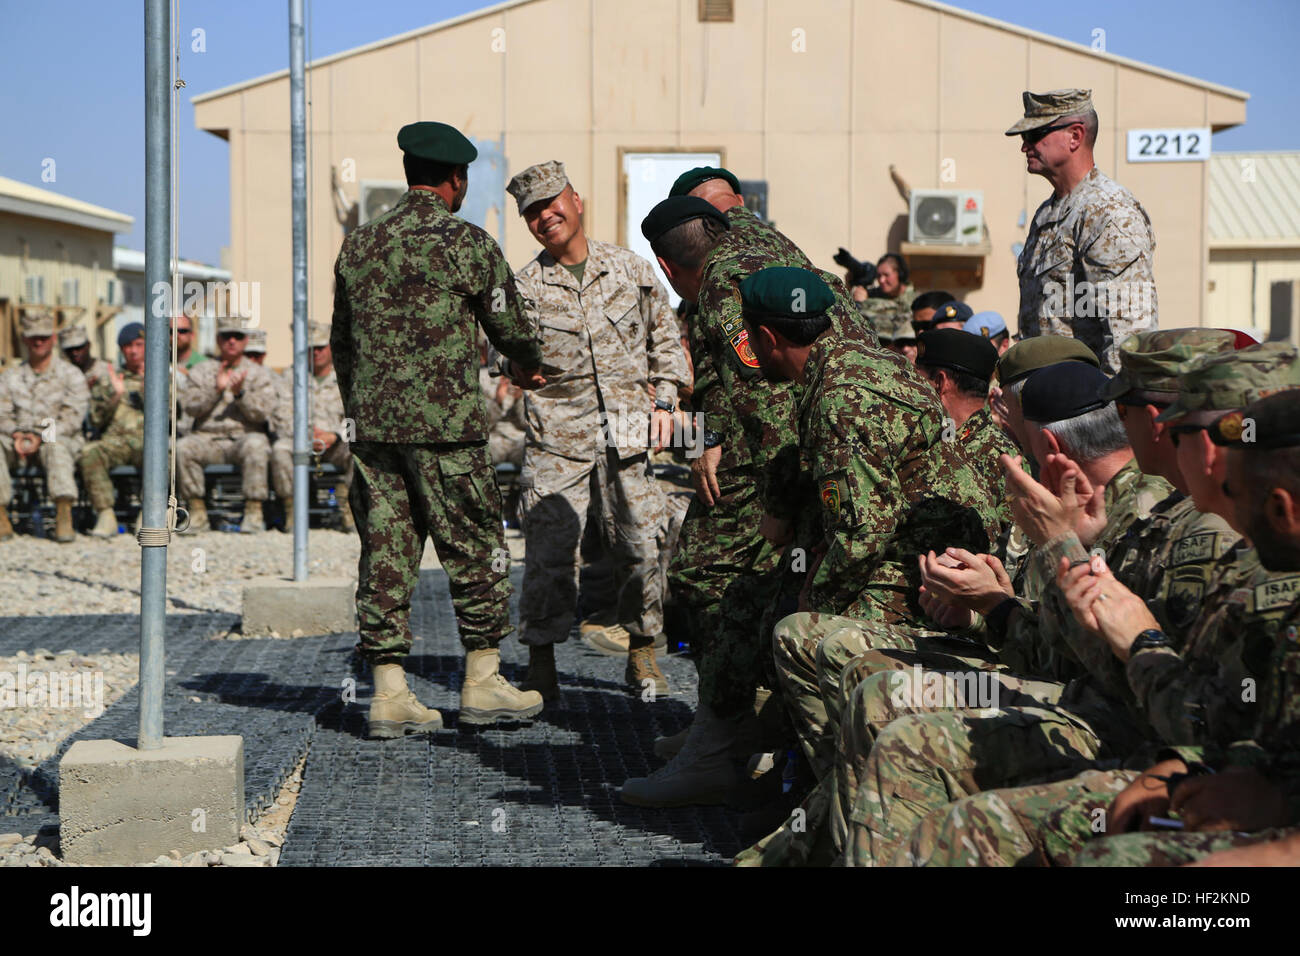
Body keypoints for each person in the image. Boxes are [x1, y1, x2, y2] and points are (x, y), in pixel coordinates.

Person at [331, 120, 547, 737]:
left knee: (385, 555)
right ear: (455, 180)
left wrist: (366, 411)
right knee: (475, 550)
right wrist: (528, 366)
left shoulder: (359, 246)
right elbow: (510, 329)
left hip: (375, 435)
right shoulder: (467, 244)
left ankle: (389, 694)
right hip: (447, 433)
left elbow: (341, 343)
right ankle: (481, 684)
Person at [504, 160, 687, 701]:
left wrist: (665, 401)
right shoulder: (524, 286)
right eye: (532, 212)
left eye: (552, 203)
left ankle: (643, 653)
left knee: (642, 547)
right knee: (549, 555)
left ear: (576, 200)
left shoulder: (630, 269)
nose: (545, 217)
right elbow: (499, 347)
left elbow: (666, 340)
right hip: (558, 440)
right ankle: (541, 662)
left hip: (630, 434)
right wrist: (511, 364)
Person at [1009, 88, 1157, 373]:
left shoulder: (1108, 211)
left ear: (1075, 136)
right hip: (1045, 402)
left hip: (1085, 407)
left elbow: (1128, 333)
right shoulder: (1046, 214)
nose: (1024, 147)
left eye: (1034, 136)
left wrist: (1113, 412)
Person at [176, 316, 276, 533]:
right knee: (183, 448)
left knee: (257, 445)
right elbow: (190, 407)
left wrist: (240, 394)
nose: (232, 341)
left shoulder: (259, 373)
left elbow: (262, 414)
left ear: (245, 341)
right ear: (218, 340)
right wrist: (216, 389)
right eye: (226, 336)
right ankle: (197, 512)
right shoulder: (202, 371)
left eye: (237, 337)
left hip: (244, 436)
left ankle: (253, 512)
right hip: (208, 438)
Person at [0, 310, 89, 543]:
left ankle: (63, 512)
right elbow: (2, 414)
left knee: (55, 445)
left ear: (53, 338)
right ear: (24, 339)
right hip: (18, 439)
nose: (38, 342)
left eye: (43, 337)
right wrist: (17, 433)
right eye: (32, 337)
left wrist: (41, 436)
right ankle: (1, 515)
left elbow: (72, 418)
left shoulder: (71, 375)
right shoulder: (10, 377)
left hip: (57, 439)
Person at [270, 321, 354, 533]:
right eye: (310, 348)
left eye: (320, 347)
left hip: (336, 443)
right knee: (280, 450)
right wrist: (308, 436)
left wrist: (335, 435)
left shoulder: (347, 377)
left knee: (359, 450)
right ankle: (292, 511)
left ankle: (349, 509)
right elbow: (281, 416)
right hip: (301, 441)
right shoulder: (290, 378)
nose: (315, 353)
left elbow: (357, 418)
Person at [80, 322, 147, 537]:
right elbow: (95, 419)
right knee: (90, 452)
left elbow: (172, 416)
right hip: (115, 442)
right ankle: (105, 514)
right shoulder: (109, 378)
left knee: (164, 454)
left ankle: (149, 514)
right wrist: (115, 396)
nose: (134, 350)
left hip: (147, 442)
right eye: (128, 346)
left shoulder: (163, 378)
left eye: (139, 344)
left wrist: (149, 389)